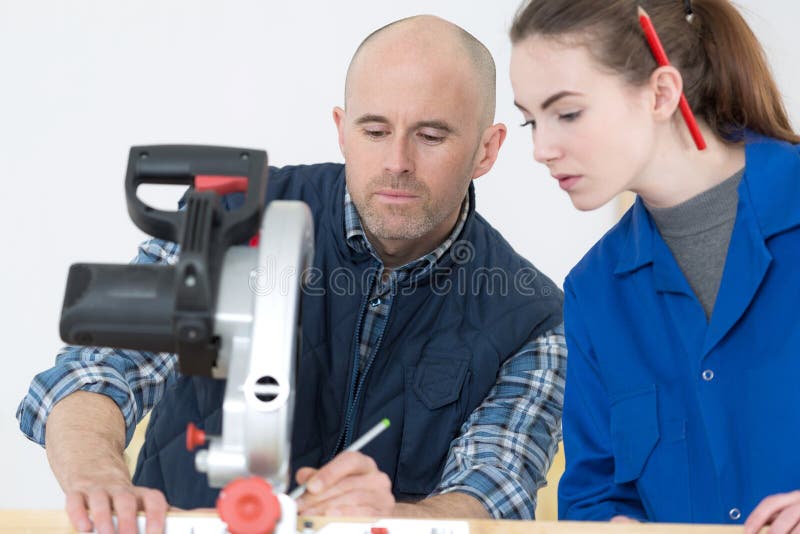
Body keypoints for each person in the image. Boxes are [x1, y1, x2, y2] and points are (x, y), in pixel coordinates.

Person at [18, 15, 567, 534]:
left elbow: (496, 489)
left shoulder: (534, 318)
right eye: (374, 130)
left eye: (430, 136)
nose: (397, 161)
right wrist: (100, 478)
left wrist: (392, 517)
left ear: (487, 150)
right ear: (341, 129)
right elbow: (94, 372)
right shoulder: (231, 216)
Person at [508, 0, 800, 531]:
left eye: (567, 113)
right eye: (531, 121)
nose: (541, 148)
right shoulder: (594, 290)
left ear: (661, 93)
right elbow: (594, 492)